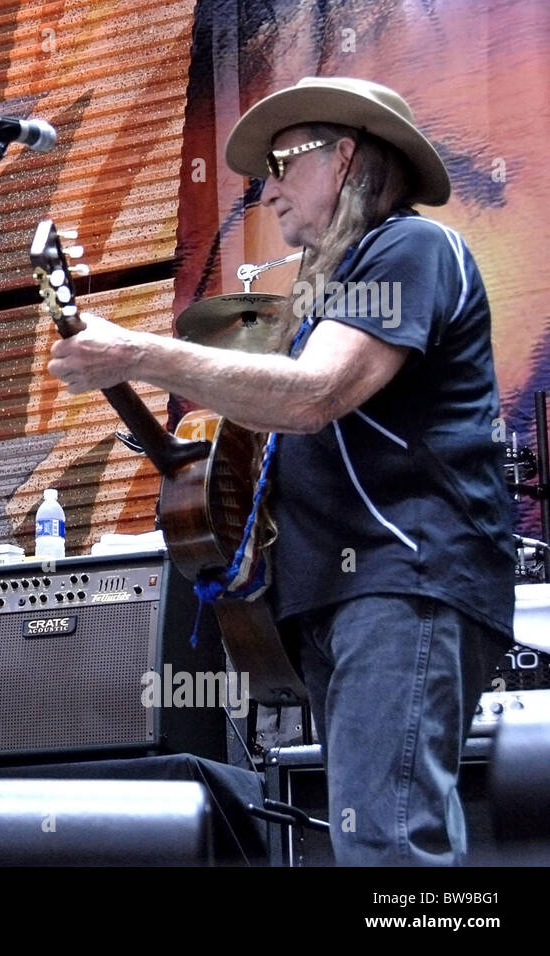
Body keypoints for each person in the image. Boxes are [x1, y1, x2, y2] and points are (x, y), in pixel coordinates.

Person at [48, 77, 513, 865]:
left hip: (405, 576)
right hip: (346, 594)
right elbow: (273, 421)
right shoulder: (328, 294)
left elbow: (314, 397)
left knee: (391, 844)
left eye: (283, 162)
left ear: (345, 157)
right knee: (376, 838)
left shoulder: (409, 246)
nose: (265, 190)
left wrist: (136, 352)